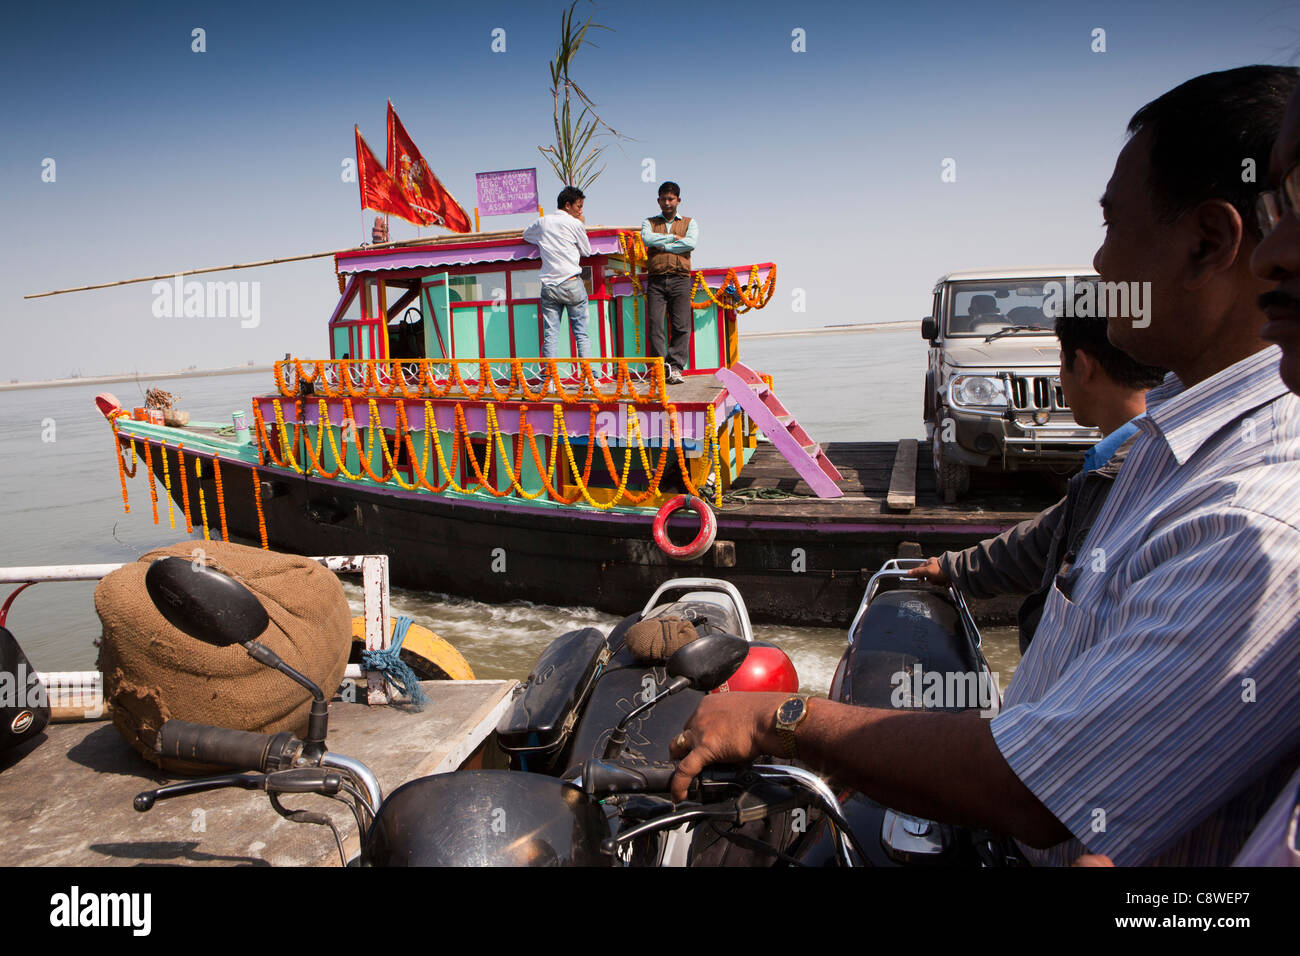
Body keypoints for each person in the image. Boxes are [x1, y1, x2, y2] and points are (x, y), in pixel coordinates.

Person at [667, 65, 1300, 867]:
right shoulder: (1172, 442)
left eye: (1113, 228)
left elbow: (1036, 791)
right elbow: (1049, 563)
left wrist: (778, 719)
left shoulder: (1258, 516)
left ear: (1208, 242)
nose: (1100, 267)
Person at [908, 310, 1166, 653]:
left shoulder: (1133, 470)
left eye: (1061, 363)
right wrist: (952, 567)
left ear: (1084, 366)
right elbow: (1044, 540)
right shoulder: (1124, 463)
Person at [522, 186, 592, 359]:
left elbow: (526, 235)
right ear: (567, 205)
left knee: (550, 335)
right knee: (581, 334)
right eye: (579, 206)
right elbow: (587, 251)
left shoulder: (542, 222)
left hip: (549, 286)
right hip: (571, 282)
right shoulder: (575, 224)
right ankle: (589, 379)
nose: (581, 210)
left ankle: (550, 381)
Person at [641, 182, 699, 384]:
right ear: (658, 200)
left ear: (678, 200)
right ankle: (659, 370)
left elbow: (690, 243)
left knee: (681, 325)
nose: (667, 202)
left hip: (680, 279)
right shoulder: (649, 222)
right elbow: (647, 239)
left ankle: (675, 368)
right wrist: (674, 239)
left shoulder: (690, 222)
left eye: (671, 199)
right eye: (663, 199)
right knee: (655, 325)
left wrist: (662, 246)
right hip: (656, 280)